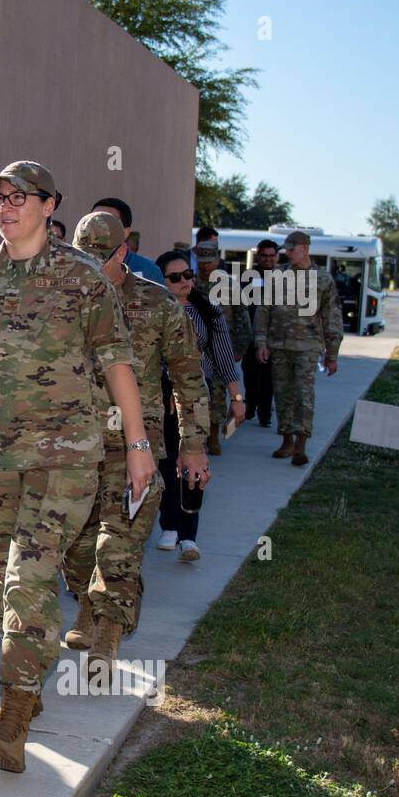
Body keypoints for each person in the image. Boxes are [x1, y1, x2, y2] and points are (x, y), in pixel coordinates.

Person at [0, 161, 155, 774]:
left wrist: (141, 443)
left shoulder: (81, 276)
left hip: (67, 456)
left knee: (28, 574)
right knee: (1, 574)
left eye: (20, 198)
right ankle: (32, 676)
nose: (6, 208)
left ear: (49, 205)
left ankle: (14, 709)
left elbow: (117, 358)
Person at [62, 213, 210, 674]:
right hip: (73, 445)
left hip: (136, 447)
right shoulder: (63, 301)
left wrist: (193, 444)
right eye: (79, 258)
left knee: (119, 542)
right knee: (77, 544)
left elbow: (188, 377)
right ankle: (88, 603)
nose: (87, 268)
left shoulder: (159, 304)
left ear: (122, 253)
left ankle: (107, 633)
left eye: (97, 260)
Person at [154, 250, 245, 562]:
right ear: (161, 280)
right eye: (175, 277)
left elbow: (223, 357)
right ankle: (169, 526)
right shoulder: (152, 311)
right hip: (162, 395)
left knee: (194, 463)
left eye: (188, 276)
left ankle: (189, 536)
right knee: (166, 462)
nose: (184, 282)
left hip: (197, 395)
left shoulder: (208, 312)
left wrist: (236, 398)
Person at [254, 230, 343, 466]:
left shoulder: (323, 279)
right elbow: (264, 310)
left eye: (292, 250)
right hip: (279, 345)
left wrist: (332, 354)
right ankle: (286, 440)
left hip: (308, 346)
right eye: (287, 250)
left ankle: (301, 443)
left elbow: (332, 317)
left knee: (304, 394)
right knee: (282, 393)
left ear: (305, 248)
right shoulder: (278, 274)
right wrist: (261, 342)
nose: (288, 254)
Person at [193, 237, 248, 454]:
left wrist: (240, 348)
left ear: (217, 259)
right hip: (195, 349)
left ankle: (214, 436)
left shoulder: (228, 285)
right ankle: (198, 436)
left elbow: (242, 317)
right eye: (202, 260)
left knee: (217, 395)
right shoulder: (191, 283)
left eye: (210, 260)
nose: (206, 265)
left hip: (220, 349)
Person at [240, 239, 279, 426]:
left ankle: (265, 415)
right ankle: (250, 408)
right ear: (258, 257)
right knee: (250, 375)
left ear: (277, 256)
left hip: (272, 337)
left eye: (272, 256)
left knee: (268, 378)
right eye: (264, 255)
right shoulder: (248, 277)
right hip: (250, 335)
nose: (268, 259)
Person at [91, 197, 164, 284]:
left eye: (110, 221)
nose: (100, 227)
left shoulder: (148, 270)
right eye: (93, 220)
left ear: (126, 232)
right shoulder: (75, 262)